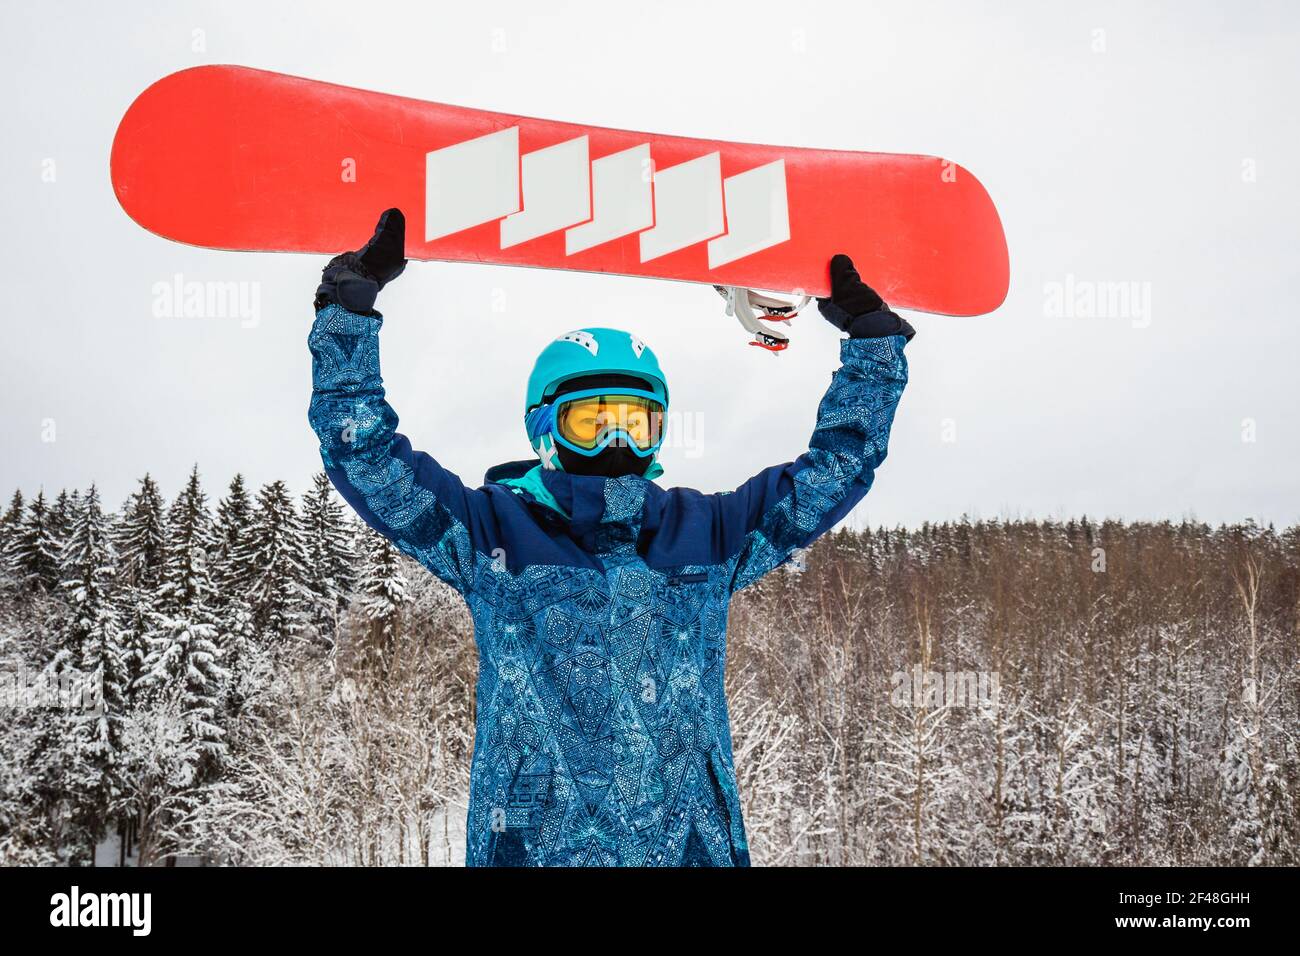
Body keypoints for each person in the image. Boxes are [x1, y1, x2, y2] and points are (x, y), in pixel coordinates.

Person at [308, 208, 913, 866]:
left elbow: (832, 474)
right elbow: (366, 458)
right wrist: (348, 313)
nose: (617, 439)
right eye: (593, 421)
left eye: (635, 420)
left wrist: (872, 350)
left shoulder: (705, 533)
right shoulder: (491, 536)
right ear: (546, 427)